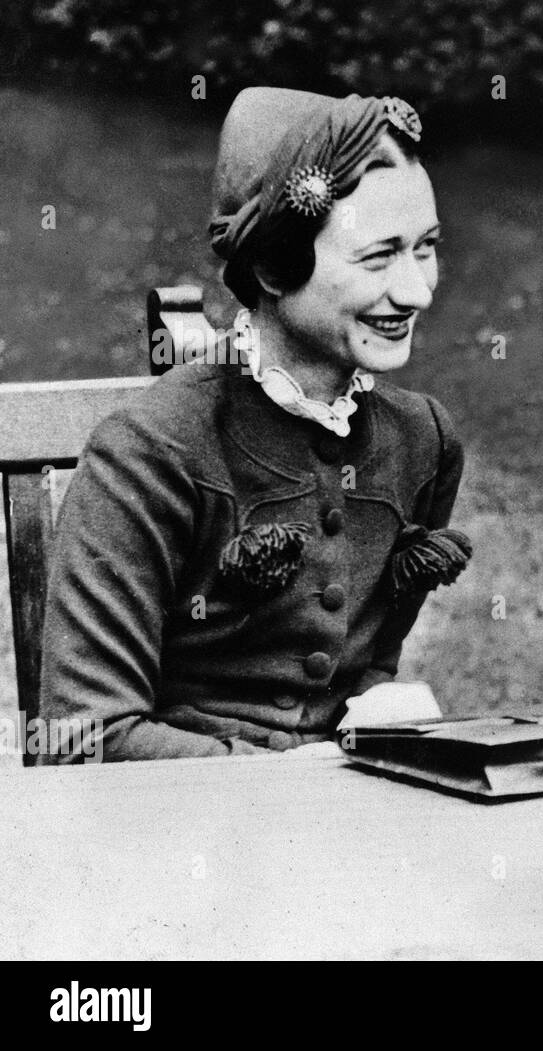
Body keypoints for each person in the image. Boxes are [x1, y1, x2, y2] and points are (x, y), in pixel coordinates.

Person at [39, 88, 470, 761]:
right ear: (270, 265)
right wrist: (290, 783)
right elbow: (84, 734)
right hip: (172, 837)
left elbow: (370, 666)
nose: (416, 289)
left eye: (426, 247)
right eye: (379, 257)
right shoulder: (151, 454)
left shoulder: (422, 442)